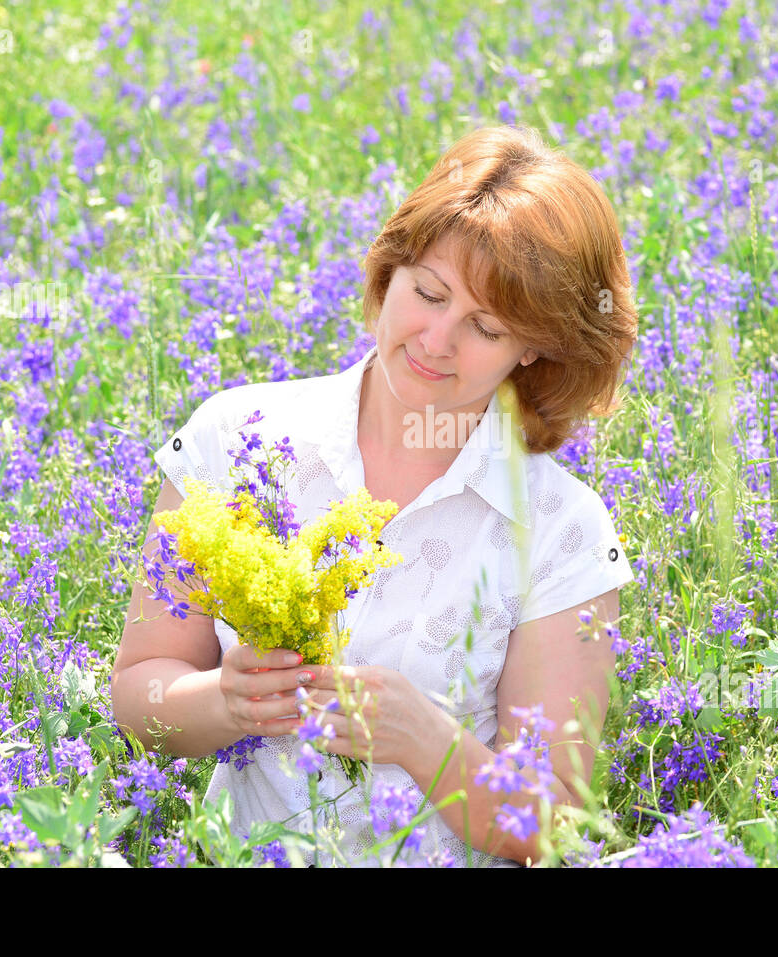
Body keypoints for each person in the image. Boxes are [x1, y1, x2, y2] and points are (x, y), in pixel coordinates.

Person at [110, 125, 639, 866]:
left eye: (485, 326)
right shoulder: (235, 438)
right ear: (390, 271)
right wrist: (222, 703)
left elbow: (549, 824)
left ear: (535, 346)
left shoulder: (561, 531)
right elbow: (139, 694)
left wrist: (426, 740)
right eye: (427, 292)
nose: (436, 340)